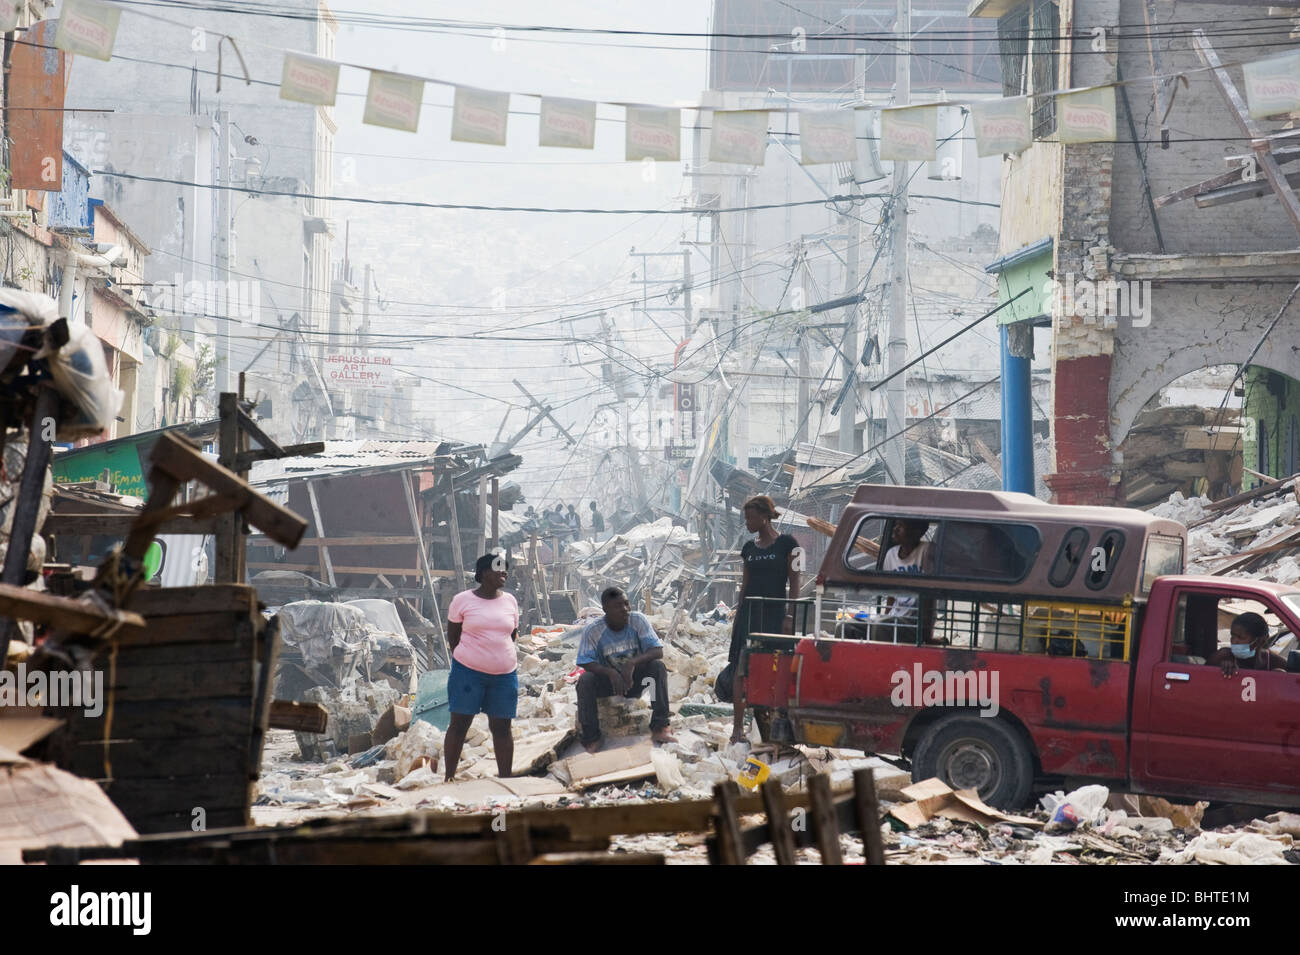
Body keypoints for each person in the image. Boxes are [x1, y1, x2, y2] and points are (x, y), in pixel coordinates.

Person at [729, 495, 800, 744]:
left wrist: (789, 614)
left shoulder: (789, 544)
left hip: (775, 615)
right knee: (741, 667)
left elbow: (795, 582)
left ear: (764, 516)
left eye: (750, 517)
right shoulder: (748, 549)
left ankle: (777, 727)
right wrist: (738, 618)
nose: (747, 522)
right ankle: (737, 728)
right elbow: (744, 586)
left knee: (774, 667)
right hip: (750, 615)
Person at [443, 553, 519, 781]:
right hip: (467, 673)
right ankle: (449, 777)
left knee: (502, 726)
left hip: (505, 675)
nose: (503, 573)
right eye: (498, 568)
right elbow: (453, 638)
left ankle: (505, 778)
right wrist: (472, 657)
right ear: (484, 573)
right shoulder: (462, 600)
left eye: (505, 569)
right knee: (459, 724)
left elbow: (512, 634)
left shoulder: (510, 601)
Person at [576, 586, 675, 752]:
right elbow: (584, 661)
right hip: (609, 685)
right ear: (605, 610)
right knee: (585, 680)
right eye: (618, 606)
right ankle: (592, 737)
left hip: (634, 682)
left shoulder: (637, 620)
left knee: (657, 668)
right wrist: (610, 672)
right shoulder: (593, 631)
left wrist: (632, 663)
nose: (625, 609)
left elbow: (657, 651)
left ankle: (660, 726)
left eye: (626, 604)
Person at [1207, 611, 1288, 676]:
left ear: (1260, 641)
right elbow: (1200, 674)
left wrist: (1281, 676)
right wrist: (1219, 667)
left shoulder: (1273, 661)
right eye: (1233, 636)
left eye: (1241, 637)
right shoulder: (1223, 656)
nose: (1234, 641)